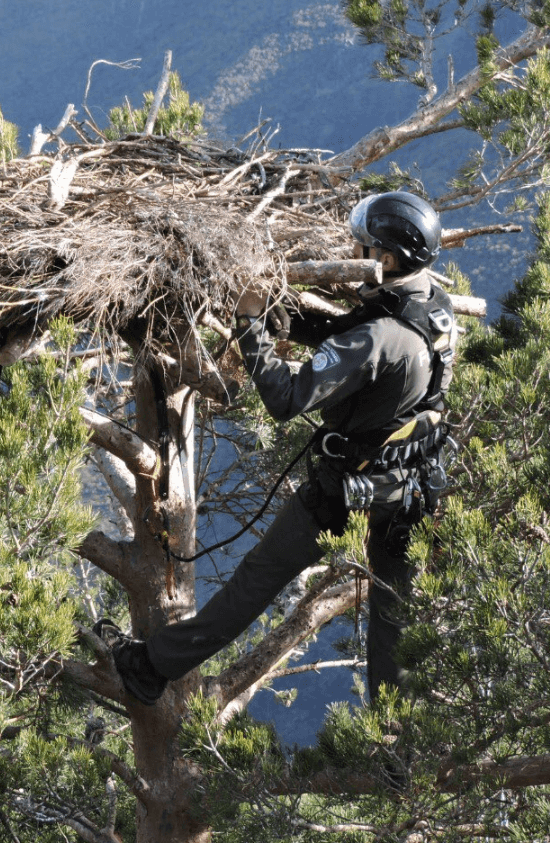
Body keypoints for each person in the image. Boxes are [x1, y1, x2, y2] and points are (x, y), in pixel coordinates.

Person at [97, 191, 457, 707]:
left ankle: (148, 670)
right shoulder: (433, 307)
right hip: (410, 490)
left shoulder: (379, 337)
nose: (353, 250)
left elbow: (286, 398)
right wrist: (287, 317)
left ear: (387, 258)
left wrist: (249, 322)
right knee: (392, 618)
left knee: (253, 583)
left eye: (363, 246)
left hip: (343, 493)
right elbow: (352, 333)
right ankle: (396, 737)